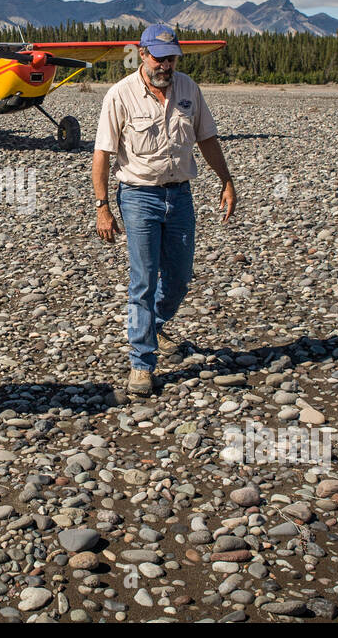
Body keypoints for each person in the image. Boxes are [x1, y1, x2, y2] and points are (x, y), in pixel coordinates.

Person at [92, 23, 236, 399]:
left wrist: (226, 180)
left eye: (171, 58)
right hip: (138, 196)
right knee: (143, 279)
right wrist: (102, 206)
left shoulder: (189, 89)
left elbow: (206, 138)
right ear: (142, 54)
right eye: (159, 57)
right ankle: (142, 363)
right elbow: (102, 155)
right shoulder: (120, 95)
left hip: (181, 195)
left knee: (179, 278)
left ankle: (149, 325)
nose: (166, 65)